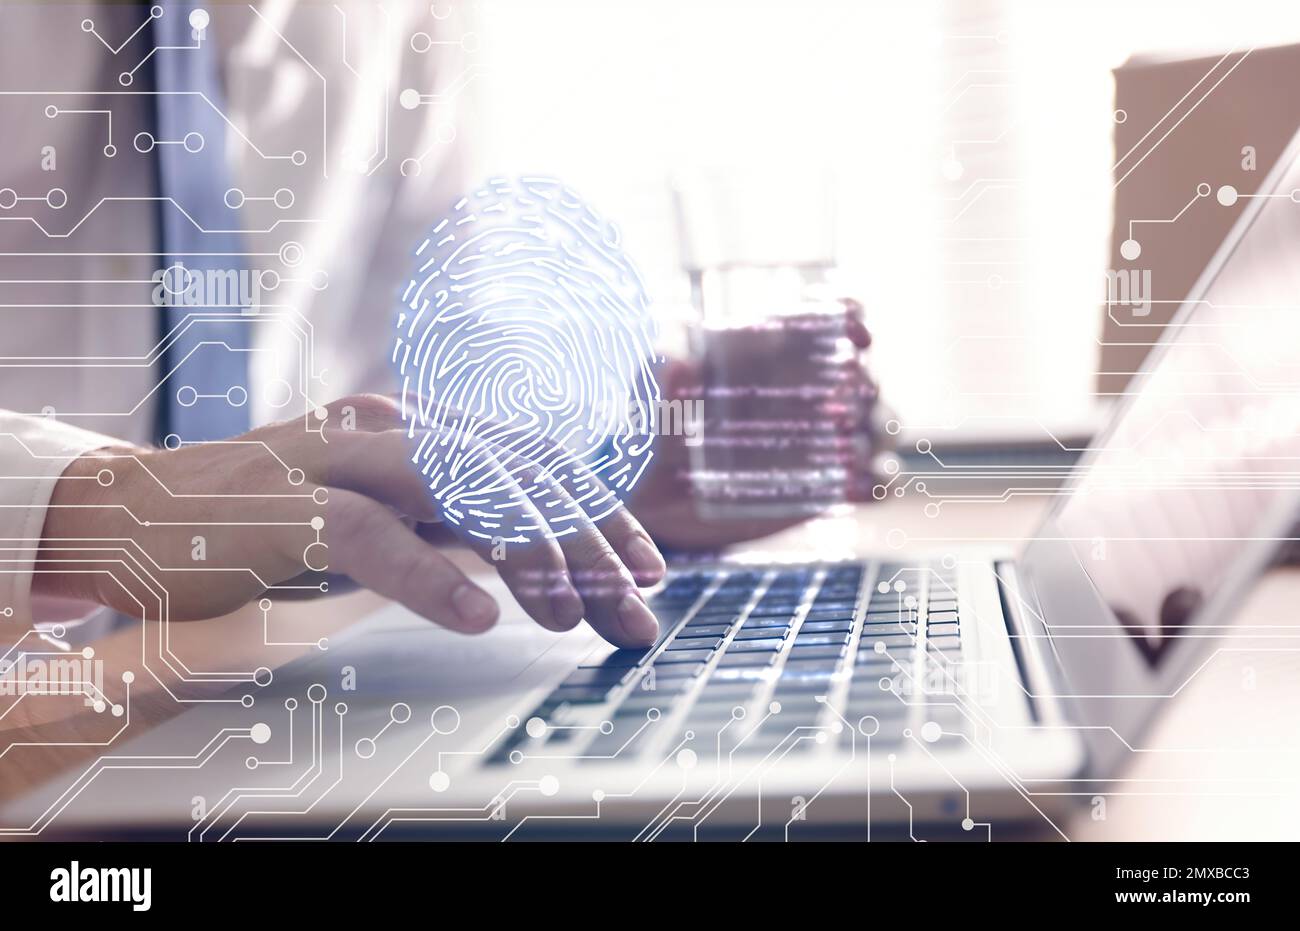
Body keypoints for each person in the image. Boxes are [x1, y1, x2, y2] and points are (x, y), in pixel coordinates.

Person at [0, 1, 878, 651]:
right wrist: (83, 508)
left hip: (202, 690)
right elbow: (173, 495)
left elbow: (387, 391)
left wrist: (579, 470)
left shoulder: (402, 22)